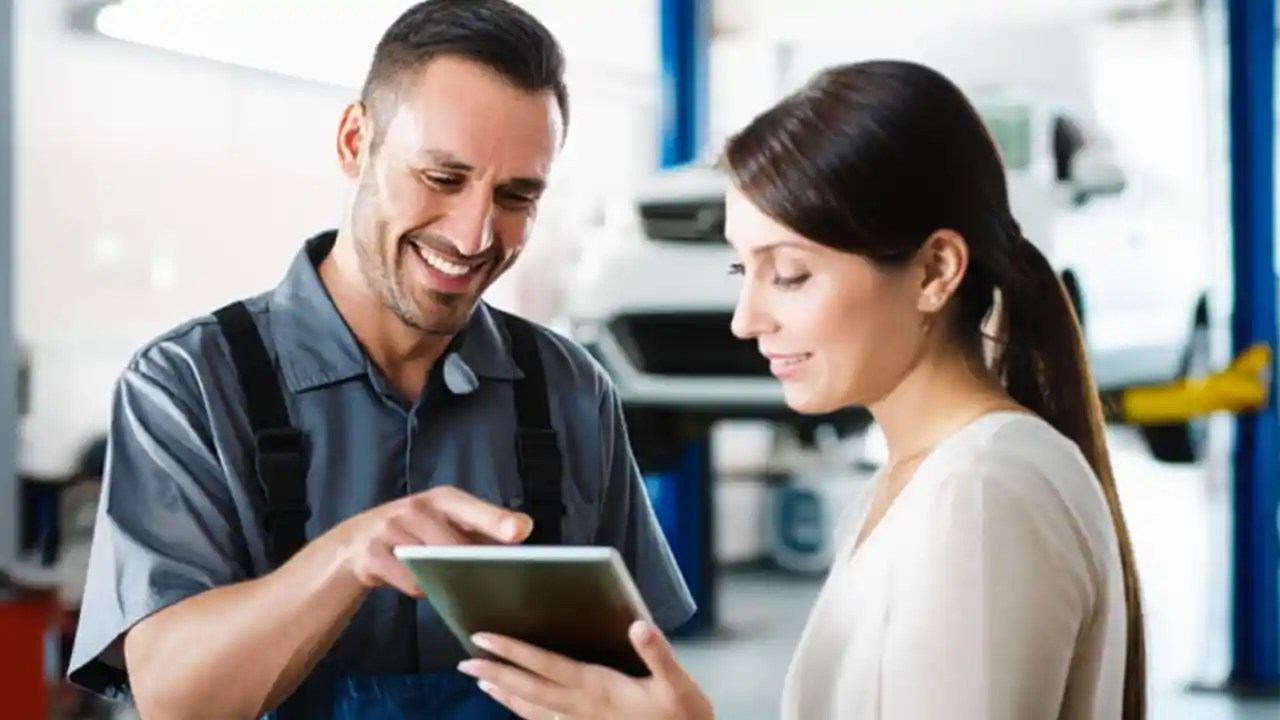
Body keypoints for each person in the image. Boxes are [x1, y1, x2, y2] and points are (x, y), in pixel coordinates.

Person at [457, 60, 1145, 720]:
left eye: (788, 273)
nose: (746, 320)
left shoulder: (983, 491)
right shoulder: (912, 487)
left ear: (936, 269)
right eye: (742, 270)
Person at [66, 1, 695, 718]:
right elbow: (177, 701)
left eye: (517, 195)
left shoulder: (568, 390)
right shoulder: (188, 386)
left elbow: (633, 673)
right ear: (354, 140)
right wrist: (347, 558)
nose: (474, 233)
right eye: (442, 177)